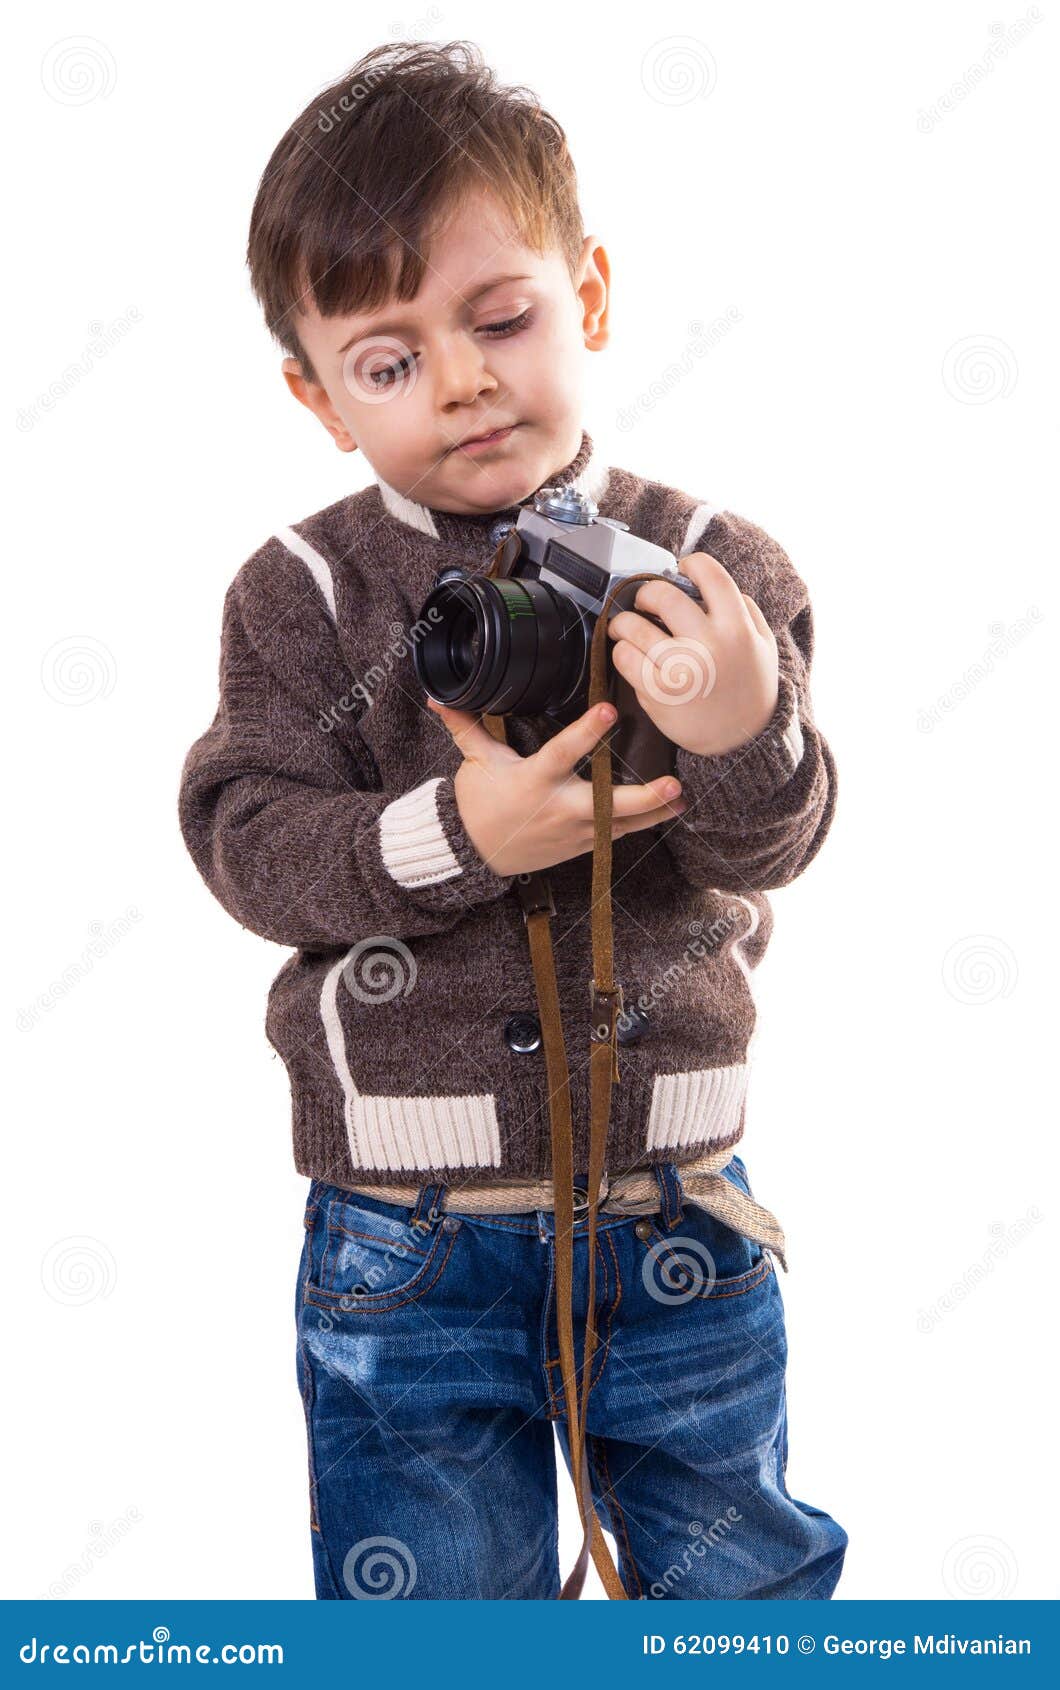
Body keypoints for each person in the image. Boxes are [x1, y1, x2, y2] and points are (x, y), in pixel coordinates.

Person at [178, 38, 848, 1601]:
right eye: (390, 359)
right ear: (319, 395)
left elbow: (773, 841)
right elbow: (247, 837)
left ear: (591, 297)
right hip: (410, 1233)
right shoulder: (307, 591)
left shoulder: (707, 559)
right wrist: (454, 833)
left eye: (502, 318)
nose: (465, 379)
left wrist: (744, 728)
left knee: (740, 1595)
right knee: (436, 1612)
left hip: (675, 1206)